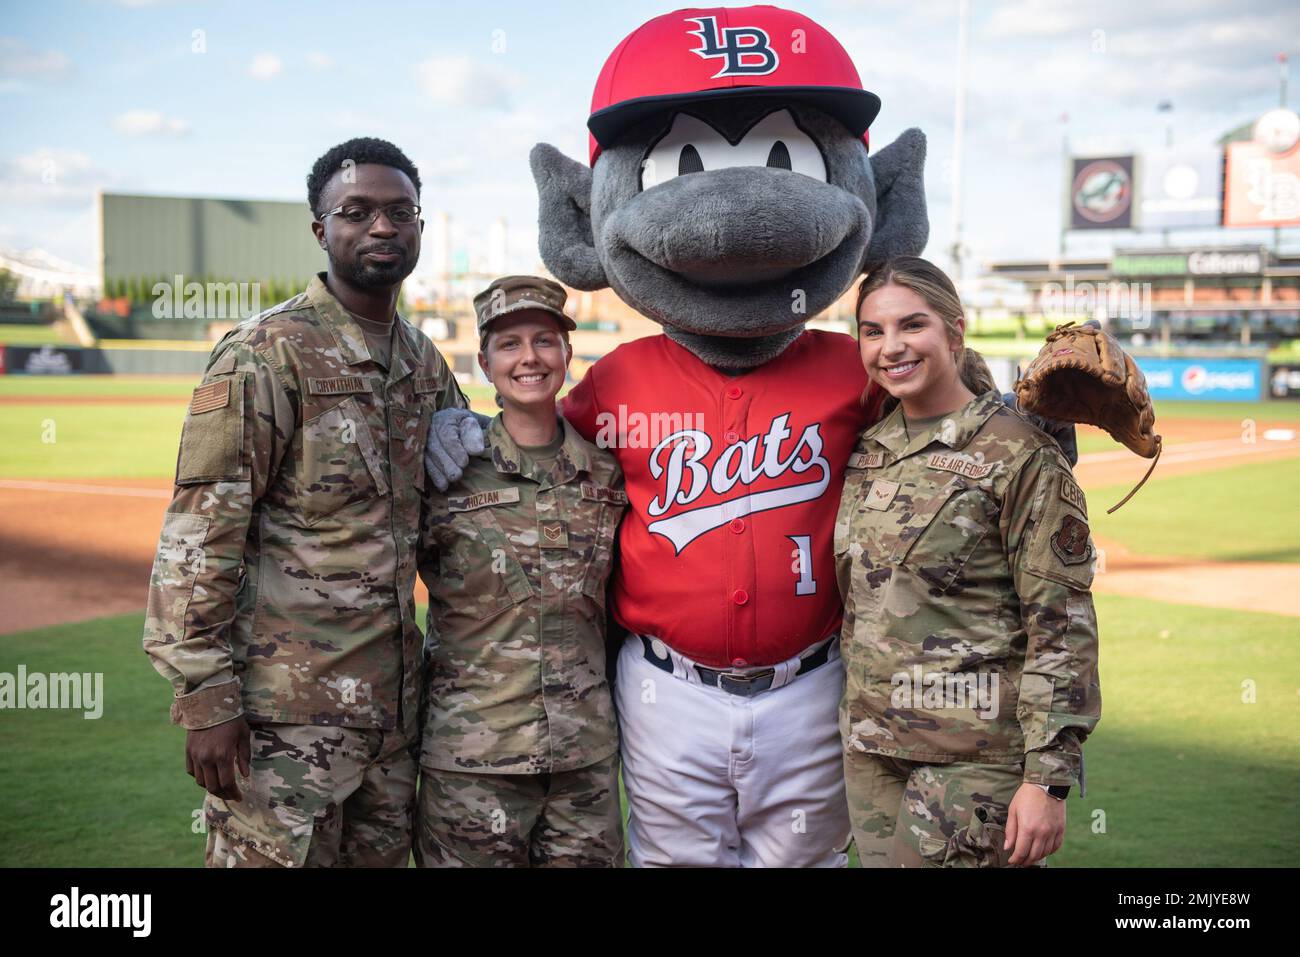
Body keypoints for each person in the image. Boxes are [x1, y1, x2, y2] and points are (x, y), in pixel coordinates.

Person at [143, 136, 467, 867]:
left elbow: (460, 511)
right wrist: (205, 699)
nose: (382, 226)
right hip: (283, 722)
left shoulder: (423, 363)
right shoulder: (267, 352)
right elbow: (200, 535)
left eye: (400, 211)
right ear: (321, 230)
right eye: (356, 211)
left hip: (391, 725)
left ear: (420, 226)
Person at [835, 256, 1101, 868]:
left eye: (913, 326)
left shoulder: (1021, 453)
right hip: (873, 747)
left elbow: (1061, 622)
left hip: (976, 758)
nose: (891, 347)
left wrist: (1047, 779)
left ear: (955, 331)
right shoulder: (871, 449)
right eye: (872, 332)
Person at [414, 275, 627, 867]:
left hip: (583, 761)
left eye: (544, 340)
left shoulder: (606, 475)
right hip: (472, 762)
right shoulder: (445, 472)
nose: (528, 358)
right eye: (509, 344)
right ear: (484, 362)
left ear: (566, 354)